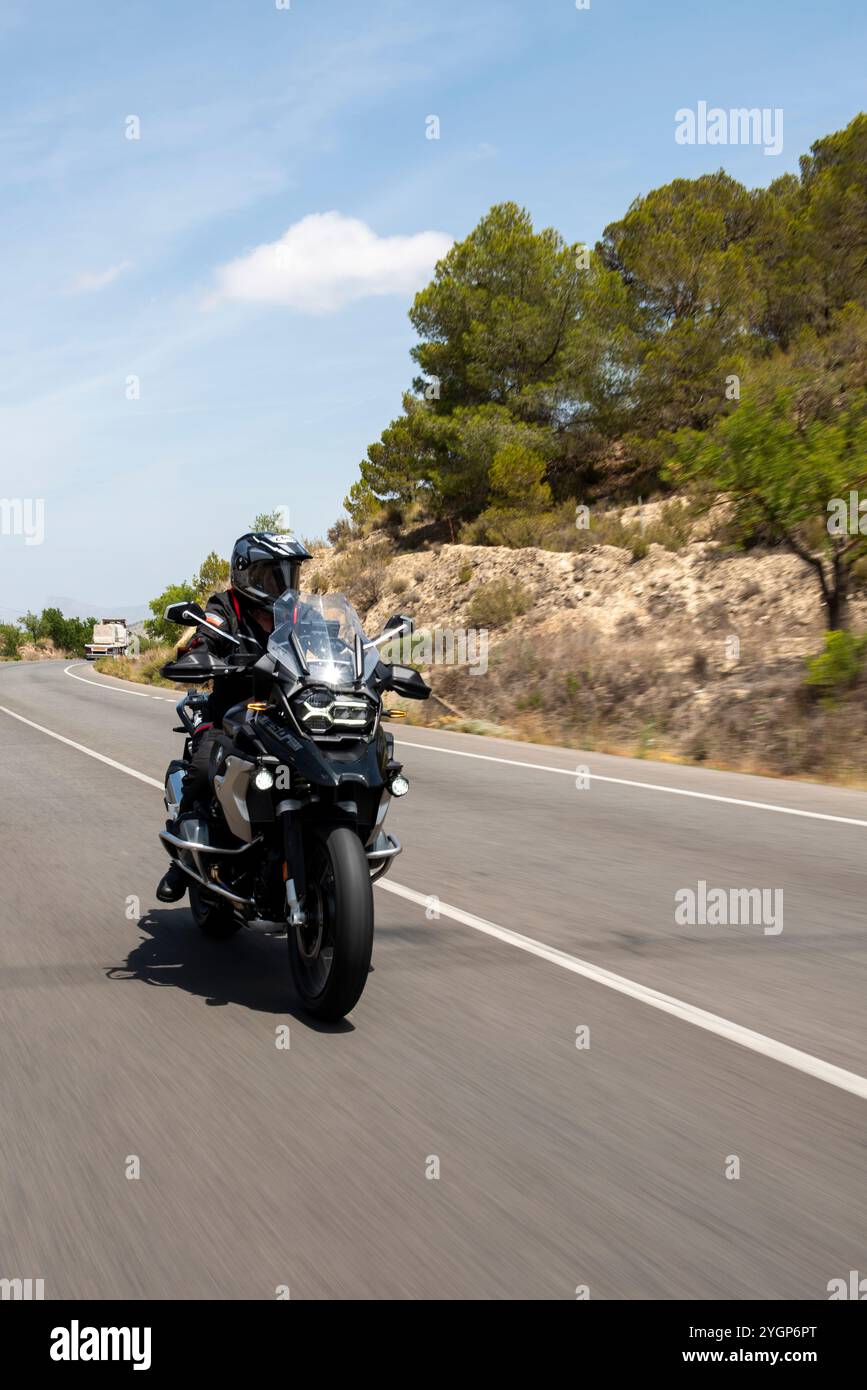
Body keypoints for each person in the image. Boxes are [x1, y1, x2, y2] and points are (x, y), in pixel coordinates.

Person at [156, 532, 311, 903]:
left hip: (292, 712)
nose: (283, 583)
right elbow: (206, 634)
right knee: (209, 760)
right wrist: (201, 651)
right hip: (235, 713)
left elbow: (330, 644)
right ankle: (183, 858)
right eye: (272, 574)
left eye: (289, 573)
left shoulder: (300, 613)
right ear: (246, 574)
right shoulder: (224, 607)